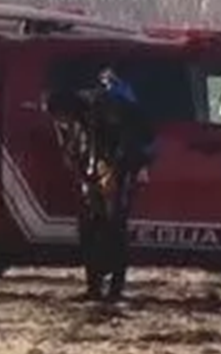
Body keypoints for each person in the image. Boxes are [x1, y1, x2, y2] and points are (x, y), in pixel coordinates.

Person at [47, 68, 155, 302]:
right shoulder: (78, 118)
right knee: (90, 229)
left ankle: (115, 290)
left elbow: (125, 140)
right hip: (96, 172)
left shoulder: (102, 107)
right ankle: (94, 287)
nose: (60, 122)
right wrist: (84, 172)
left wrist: (112, 172)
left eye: (60, 117)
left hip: (120, 168)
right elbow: (79, 146)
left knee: (114, 228)